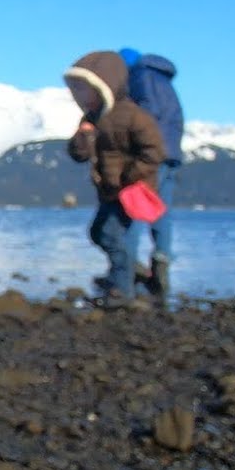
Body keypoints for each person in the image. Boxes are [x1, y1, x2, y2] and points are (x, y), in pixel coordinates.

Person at [63, 50, 165, 309]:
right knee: (98, 233)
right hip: (108, 190)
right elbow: (78, 154)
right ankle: (131, 271)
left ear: (103, 86)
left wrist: (130, 177)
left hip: (129, 190)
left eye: (82, 89)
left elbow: (154, 151)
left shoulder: (133, 116)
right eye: (75, 90)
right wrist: (83, 138)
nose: (78, 96)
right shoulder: (92, 118)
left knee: (110, 235)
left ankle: (122, 290)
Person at [119, 48, 184, 303]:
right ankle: (161, 268)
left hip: (152, 153)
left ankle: (127, 271)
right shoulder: (163, 80)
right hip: (172, 152)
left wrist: (133, 143)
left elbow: (146, 112)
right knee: (161, 211)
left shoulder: (141, 75)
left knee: (135, 207)